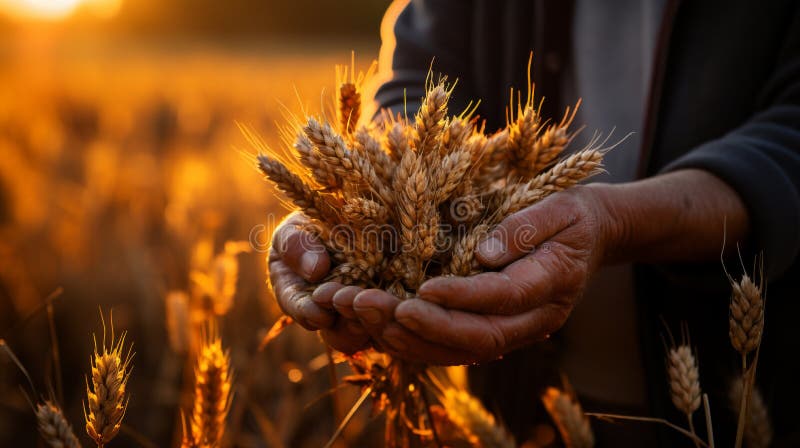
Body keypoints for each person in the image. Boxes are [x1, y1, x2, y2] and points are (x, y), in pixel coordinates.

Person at [268, 0, 800, 445]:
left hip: (751, 400)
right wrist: (361, 198)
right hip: (522, 406)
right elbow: (418, 82)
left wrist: (614, 221)